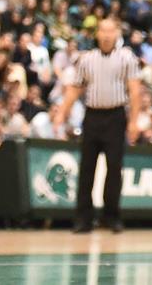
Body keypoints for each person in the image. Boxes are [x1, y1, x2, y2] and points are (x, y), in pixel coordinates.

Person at [53, 17, 145, 234]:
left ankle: (111, 217)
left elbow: (135, 90)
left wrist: (134, 121)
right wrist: (62, 113)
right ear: (97, 34)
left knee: (114, 168)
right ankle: (83, 219)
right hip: (92, 116)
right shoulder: (86, 59)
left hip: (115, 116)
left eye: (110, 31)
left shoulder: (127, 57)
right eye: (102, 31)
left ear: (117, 34)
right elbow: (75, 88)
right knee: (87, 168)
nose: (106, 35)